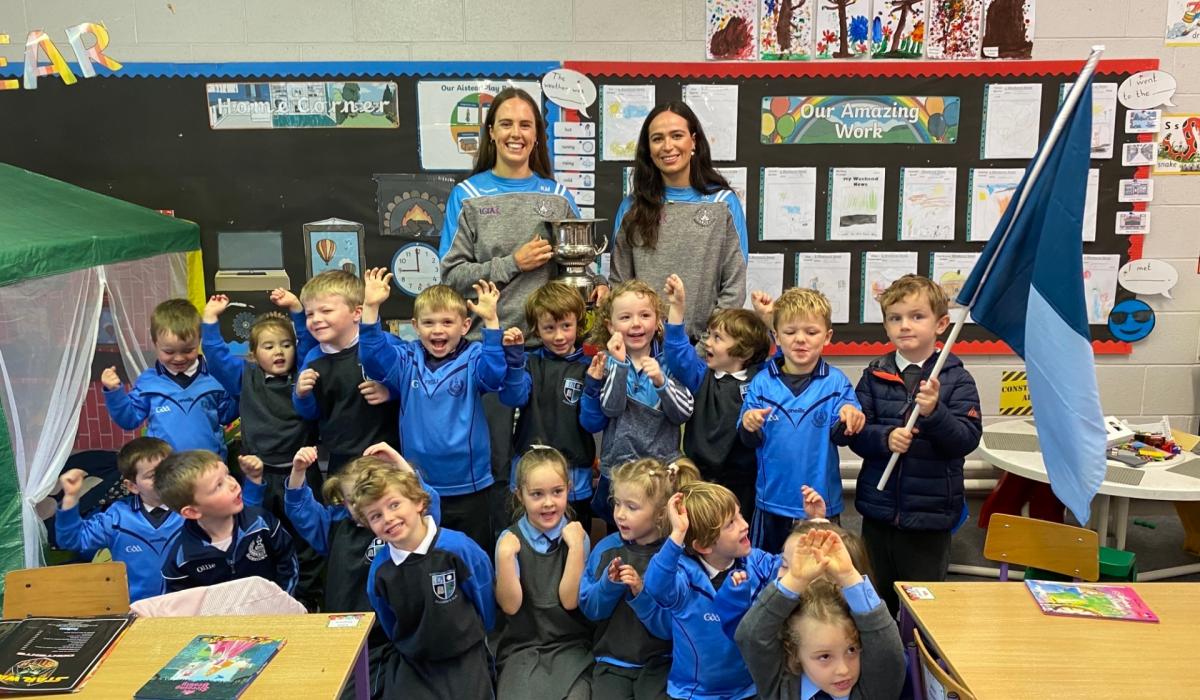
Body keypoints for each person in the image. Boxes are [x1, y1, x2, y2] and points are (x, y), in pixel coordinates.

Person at [438, 86, 601, 537]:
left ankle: (562, 566)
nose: (516, 133)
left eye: (525, 124)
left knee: (553, 470)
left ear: (537, 135)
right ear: (491, 133)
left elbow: (583, 265)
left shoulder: (557, 195)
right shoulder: (468, 195)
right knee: (499, 470)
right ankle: (503, 563)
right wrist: (515, 263)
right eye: (506, 123)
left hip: (551, 355)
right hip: (490, 354)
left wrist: (602, 289)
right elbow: (450, 277)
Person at [242, 443, 440, 700]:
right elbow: (301, 511)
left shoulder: (398, 528)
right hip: (339, 629)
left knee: (369, 689)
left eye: (372, 495)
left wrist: (395, 459)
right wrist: (299, 472)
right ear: (343, 501)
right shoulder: (333, 525)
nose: (362, 505)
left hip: (383, 639)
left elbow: (426, 502)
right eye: (353, 499)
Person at [837, 274, 982, 615]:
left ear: (941, 324)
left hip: (930, 516)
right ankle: (886, 662)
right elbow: (856, 436)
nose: (905, 326)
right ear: (886, 326)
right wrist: (884, 438)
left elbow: (965, 439)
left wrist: (934, 412)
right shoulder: (874, 375)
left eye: (917, 317)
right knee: (877, 597)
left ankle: (921, 662)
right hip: (879, 511)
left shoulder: (956, 378)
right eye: (895, 318)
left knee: (923, 603)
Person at [357, 268, 507, 555]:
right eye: (428, 322)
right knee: (428, 558)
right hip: (419, 485)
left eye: (447, 322)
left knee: (474, 556)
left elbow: (494, 375)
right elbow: (373, 360)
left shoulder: (474, 356)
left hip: (470, 486)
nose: (438, 330)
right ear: (415, 325)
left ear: (464, 326)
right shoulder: (407, 357)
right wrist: (372, 307)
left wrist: (491, 322)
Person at [200, 294, 323, 608]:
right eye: (269, 347)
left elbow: (308, 340)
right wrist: (211, 320)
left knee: (308, 542)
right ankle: (268, 600)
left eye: (285, 344)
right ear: (253, 354)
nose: (279, 352)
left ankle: (308, 601)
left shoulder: (304, 373)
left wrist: (296, 310)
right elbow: (215, 356)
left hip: (300, 475)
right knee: (260, 540)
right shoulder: (245, 376)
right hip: (259, 476)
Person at [738, 288, 865, 554]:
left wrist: (850, 420)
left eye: (811, 332)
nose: (800, 340)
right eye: (790, 331)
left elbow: (844, 435)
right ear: (776, 336)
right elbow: (747, 439)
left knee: (822, 575)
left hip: (821, 504)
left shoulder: (836, 383)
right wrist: (749, 424)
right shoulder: (762, 383)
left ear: (827, 336)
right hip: (772, 501)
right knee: (768, 573)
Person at [611, 101, 748, 341]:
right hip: (643, 351)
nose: (668, 146)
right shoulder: (631, 208)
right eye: (657, 139)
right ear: (648, 149)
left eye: (677, 135)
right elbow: (619, 284)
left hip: (703, 354)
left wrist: (705, 351)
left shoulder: (723, 203)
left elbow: (733, 288)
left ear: (693, 141)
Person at [358, 466, 495, 700]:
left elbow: (484, 598)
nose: (388, 518)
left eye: (394, 505)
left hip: (465, 654)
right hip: (414, 661)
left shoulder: (458, 548)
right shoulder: (380, 570)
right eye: (376, 516)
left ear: (419, 502)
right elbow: (388, 620)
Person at [733, 529, 905, 700]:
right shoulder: (781, 688)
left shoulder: (872, 691)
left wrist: (849, 577)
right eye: (824, 656)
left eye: (852, 650)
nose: (843, 670)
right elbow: (750, 637)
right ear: (795, 656)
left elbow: (889, 653)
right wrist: (795, 581)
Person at [579, 457, 699, 700]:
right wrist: (608, 585)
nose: (620, 515)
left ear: (660, 514)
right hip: (611, 662)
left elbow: (670, 628)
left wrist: (641, 592)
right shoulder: (605, 549)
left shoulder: (674, 558)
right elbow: (590, 611)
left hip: (661, 662)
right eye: (617, 504)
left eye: (632, 507)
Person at [642, 483, 775, 699]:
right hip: (694, 693)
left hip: (750, 689)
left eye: (740, 515)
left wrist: (814, 522)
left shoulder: (756, 563)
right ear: (704, 546)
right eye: (731, 523)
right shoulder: (683, 578)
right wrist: (677, 534)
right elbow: (655, 586)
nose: (745, 525)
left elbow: (791, 568)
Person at [581, 281, 694, 527]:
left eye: (645, 315)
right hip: (619, 476)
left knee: (660, 536)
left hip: (660, 475)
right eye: (625, 317)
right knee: (620, 533)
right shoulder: (607, 362)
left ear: (658, 321)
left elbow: (683, 413)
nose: (636, 324)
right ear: (610, 325)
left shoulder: (669, 362)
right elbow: (611, 409)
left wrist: (661, 382)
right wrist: (620, 366)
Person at [662, 273, 771, 522]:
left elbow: (786, 360)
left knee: (737, 532)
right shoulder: (702, 376)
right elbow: (678, 353)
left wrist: (769, 320)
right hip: (701, 477)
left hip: (744, 480)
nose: (707, 343)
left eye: (717, 338)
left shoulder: (762, 380)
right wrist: (677, 307)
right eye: (709, 335)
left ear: (744, 349)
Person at [494, 447, 593, 700]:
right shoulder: (509, 541)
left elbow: (570, 600)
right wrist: (505, 557)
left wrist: (574, 549)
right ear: (519, 495)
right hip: (523, 647)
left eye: (557, 492)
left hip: (571, 646)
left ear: (568, 489)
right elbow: (510, 606)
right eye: (537, 494)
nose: (549, 503)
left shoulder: (577, 537)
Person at [498, 281, 597, 527]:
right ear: (536, 329)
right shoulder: (530, 362)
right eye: (549, 328)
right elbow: (513, 397)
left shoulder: (589, 365)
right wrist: (514, 359)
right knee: (526, 545)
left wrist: (594, 384)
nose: (559, 335)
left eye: (566, 326)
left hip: (574, 476)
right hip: (530, 471)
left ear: (579, 324)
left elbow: (594, 421)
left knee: (575, 544)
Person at [102, 298, 237, 458]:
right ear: (155, 343)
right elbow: (129, 420)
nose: (179, 358)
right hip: (165, 470)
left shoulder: (215, 377)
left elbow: (228, 414)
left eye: (188, 350)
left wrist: (242, 390)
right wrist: (114, 392)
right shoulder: (148, 383)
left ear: (199, 341)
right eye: (169, 352)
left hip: (210, 469)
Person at [292, 270, 397, 475]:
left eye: (326, 311)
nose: (315, 319)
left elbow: (411, 384)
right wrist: (302, 395)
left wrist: (390, 392)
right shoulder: (313, 359)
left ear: (357, 313)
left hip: (387, 453)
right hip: (341, 457)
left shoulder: (386, 344)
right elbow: (310, 413)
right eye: (309, 314)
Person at [54, 437, 179, 602]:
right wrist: (71, 497)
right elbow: (72, 540)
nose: (164, 478)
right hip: (137, 611)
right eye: (153, 475)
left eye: (169, 470)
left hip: (190, 609)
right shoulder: (116, 518)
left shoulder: (193, 510)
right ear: (132, 486)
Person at [156, 450, 298, 594]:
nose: (233, 484)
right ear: (192, 512)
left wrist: (283, 603)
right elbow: (177, 602)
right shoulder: (183, 555)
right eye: (218, 485)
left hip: (272, 612)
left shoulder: (262, 523)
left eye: (228, 475)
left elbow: (288, 565)